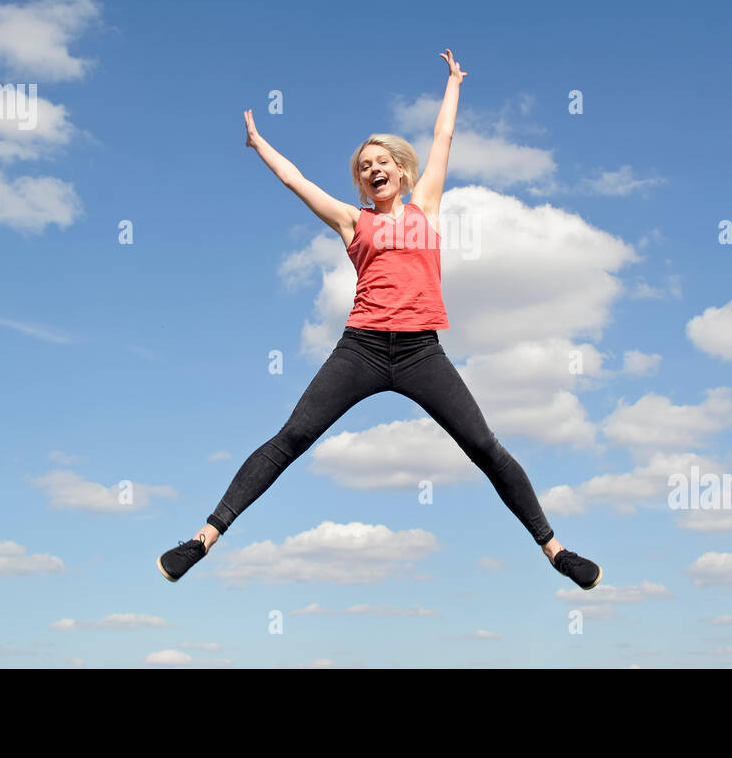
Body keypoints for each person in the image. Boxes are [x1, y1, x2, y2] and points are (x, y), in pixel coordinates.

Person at [158, 49, 601, 590]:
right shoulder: (352, 223)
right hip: (361, 349)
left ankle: (555, 550)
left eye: (381, 163)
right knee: (292, 436)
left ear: (400, 169)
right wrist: (259, 145)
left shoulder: (427, 209)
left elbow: (443, 141)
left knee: (485, 447)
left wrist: (454, 85)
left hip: (421, 352)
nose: (372, 171)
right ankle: (203, 538)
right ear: (362, 183)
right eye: (364, 168)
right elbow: (297, 182)